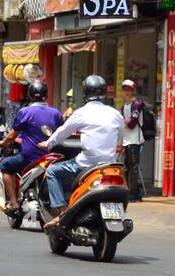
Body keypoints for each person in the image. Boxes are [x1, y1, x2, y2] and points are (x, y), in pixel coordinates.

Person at [39, 75, 124, 229]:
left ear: (85, 92)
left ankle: (62, 212)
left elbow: (62, 132)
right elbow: (120, 140)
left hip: (86, 164)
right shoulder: (115, 114)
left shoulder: (81, 113)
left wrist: (48, 143)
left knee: (52, 171)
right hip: (110, 166)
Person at [0, 80, 63, 213]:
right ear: (46, 95)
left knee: (5, 166)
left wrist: (2, 143)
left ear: (30, 95)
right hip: (52, 157)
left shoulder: (25, 112)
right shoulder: (56, 112)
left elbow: (11, 136)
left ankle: (14, 203)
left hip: (29, 158)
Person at [119, 79, 148, 202]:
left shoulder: (136, 105)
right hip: (126, 140)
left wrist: (123, 121)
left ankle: (134, 194)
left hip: (134, 141)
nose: (126, 92)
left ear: (132, 91)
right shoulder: (123, 107)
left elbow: (132, 124)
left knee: (133, 168)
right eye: (125, 89)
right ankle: (127, 191)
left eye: (129, 89)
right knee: (125, 167)